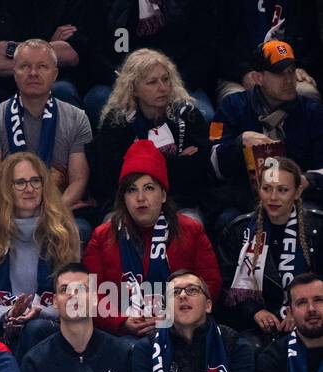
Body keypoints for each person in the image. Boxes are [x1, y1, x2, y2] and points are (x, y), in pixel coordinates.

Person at [87, 143, 222, 338]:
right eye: (132, 190)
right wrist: (121, 321)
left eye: (149, 188)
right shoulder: (102, 237)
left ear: (163, 195)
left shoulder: (191, 230)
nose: (140, 198)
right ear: (123, 197)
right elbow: (90, 293)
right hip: (122, 335)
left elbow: (210, 284)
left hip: (180, 330)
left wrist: (175, 315)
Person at [0, 151, 80, 350]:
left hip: (46, 323)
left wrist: (39, 312)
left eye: (35, 181)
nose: (30, 189)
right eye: (20, 183)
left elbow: (75, 300)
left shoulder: (64, 228)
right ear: (6, 188)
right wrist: (6, 313)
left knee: (35, 329)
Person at [0, 40, 92, 218]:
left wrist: (49, 213)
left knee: (81, 229)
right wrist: (18, 213)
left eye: (42, 66)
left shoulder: (77, 118)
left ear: (55, 74)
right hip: (6, 209)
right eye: (25, 67)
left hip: (57, 209)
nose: (33, 73)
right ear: (14, 74)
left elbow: (79, 181)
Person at [209, 41, 323, 223]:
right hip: (245, 202)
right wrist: (239, 144)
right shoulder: (231, 106)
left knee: (314, 220)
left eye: (291, 71)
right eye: (279, 73)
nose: (289, 80)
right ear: (258, 77)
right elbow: (213, 166)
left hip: (299, 200)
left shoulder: (313, 111)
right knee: (226, 220)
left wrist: (306, 181)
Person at [93, 49, 210, 214]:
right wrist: (177, 161)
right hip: (128, 206)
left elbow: (197, 171)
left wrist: (139, 163)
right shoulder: (117, 122)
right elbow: (112, 176)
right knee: (111, 224)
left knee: (192, 222)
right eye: (152, 82)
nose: (162, 88)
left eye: (165, 79)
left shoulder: (188, 115)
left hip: (180, 203)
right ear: (133, 88)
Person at [227, 159, 322, 345]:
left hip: (313, 320)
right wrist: (255, 311)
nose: (273, 197)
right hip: (256, 328)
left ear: (298, 192)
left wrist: (301, 311)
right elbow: (226, 284)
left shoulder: (318, 226)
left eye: (282, 190)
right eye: (266, 189)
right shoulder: (239, 230)